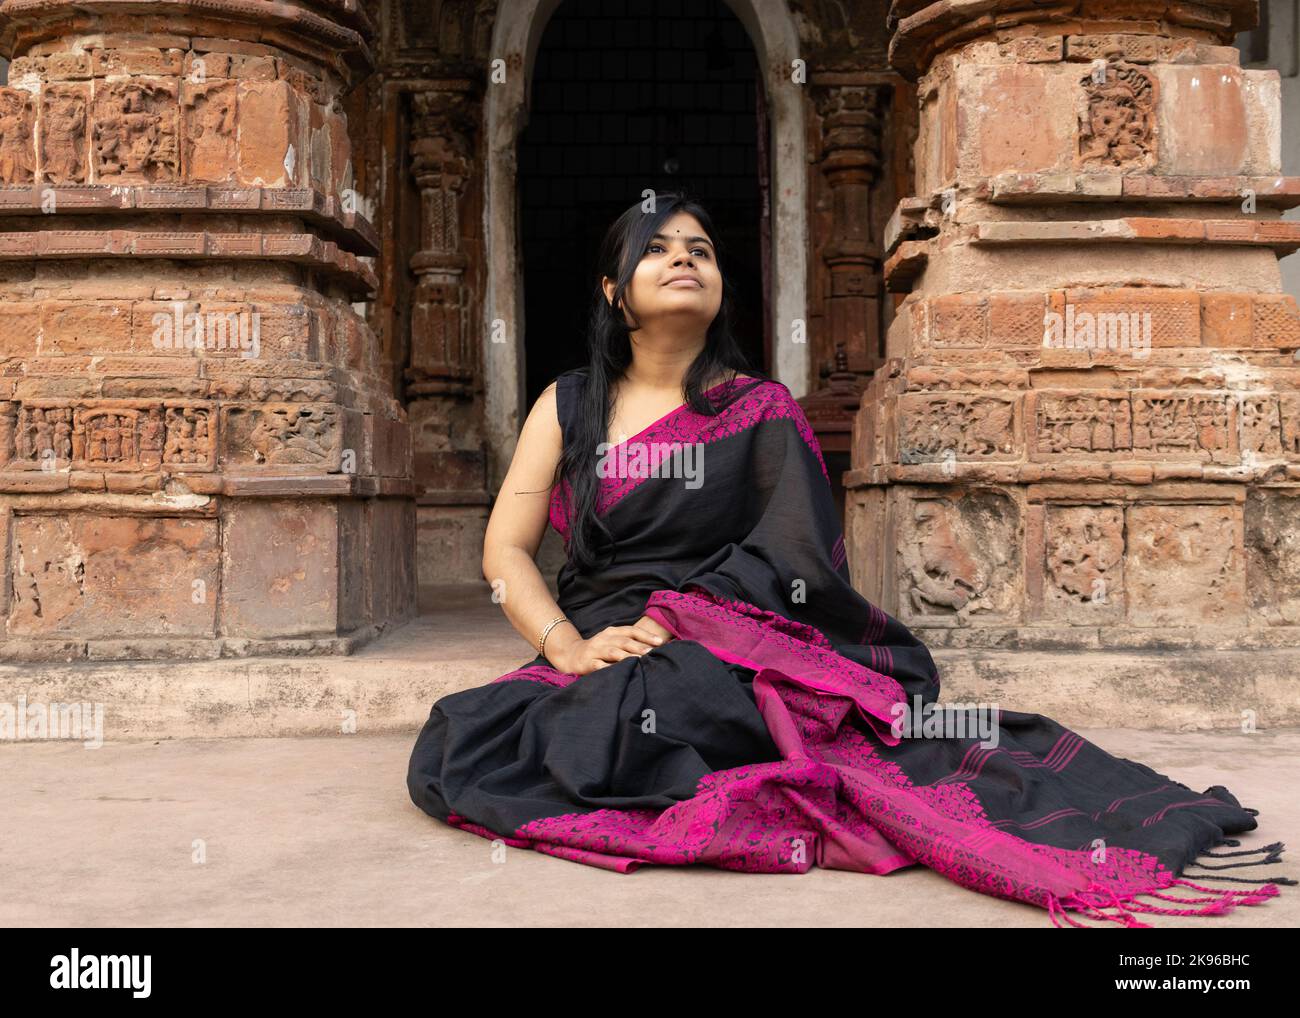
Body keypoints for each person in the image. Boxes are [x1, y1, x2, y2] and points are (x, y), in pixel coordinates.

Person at [407, 192, 1290, 927]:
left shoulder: (758, 409)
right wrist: (564, 645)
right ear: (613, 288)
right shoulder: (567, 406)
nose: (686, 261)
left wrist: (680, 617)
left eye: (703, 251)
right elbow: (506, 550)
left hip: (727, 634)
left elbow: (790, 554)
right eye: (659, 250)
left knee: (668, 702)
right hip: (604, 632)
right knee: (477, 739)